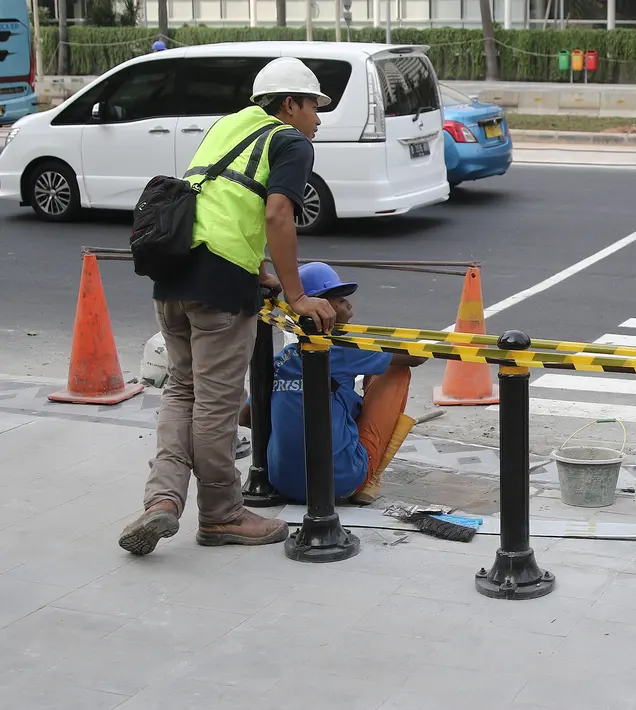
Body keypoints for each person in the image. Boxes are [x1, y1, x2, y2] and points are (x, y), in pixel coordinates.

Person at [118, 58, 338, 555]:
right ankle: (221, 515)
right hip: (219, 284)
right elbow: (279, 213)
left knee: (181, 393)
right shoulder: (290, 141)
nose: (318, 119)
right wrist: (296, 293)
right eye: (313, 106)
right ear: (289, 104)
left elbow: (222, 201)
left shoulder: (227, 126)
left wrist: (258, 264)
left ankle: (162, 501)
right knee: (215, 404)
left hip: (174, 274)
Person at [243, 262, 425, 506]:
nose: (348, 305)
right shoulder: (340, 350)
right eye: (339, 299)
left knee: (373, 367)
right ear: (320, 308)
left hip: (282, 481)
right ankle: (369, 481)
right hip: (339, 483)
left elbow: (245, 417)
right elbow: (417, 356)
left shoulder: (281, 361)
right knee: (397, 369)